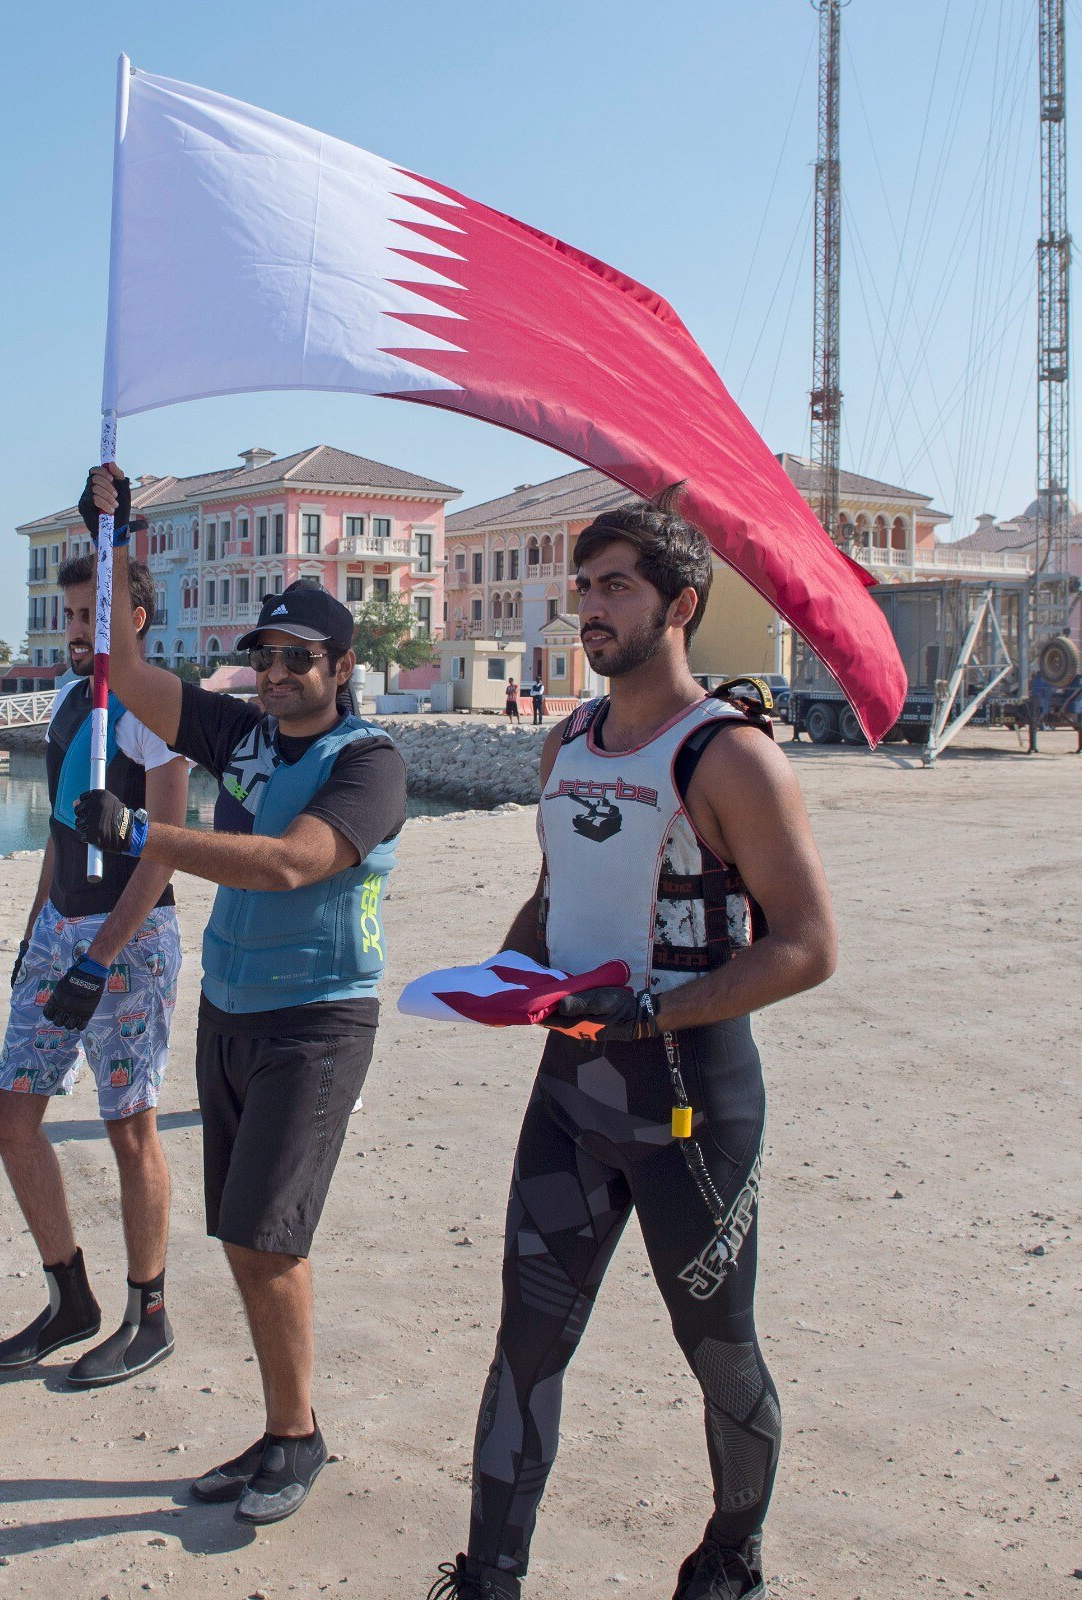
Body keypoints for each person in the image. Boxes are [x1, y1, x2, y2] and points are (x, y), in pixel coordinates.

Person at [429, 498, 837, 1600]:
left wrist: (651, 1015)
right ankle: (488, 1578)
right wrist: (500, 974)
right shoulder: (565, 742)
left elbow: (805, 948)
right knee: (524, 1349)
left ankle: (731, 1556)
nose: (590, 606)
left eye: (616, 586)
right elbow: (559, 894)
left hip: (688, 1108)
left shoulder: (729, 756)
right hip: (570, 1096)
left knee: (718, 1352)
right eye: (585, 585)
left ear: (680, 606)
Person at [72, 463, 408, 1527]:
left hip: (318, 1020)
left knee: (268, 1238)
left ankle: (298, 1434)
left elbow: (295, 862)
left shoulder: (371, 760)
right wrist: (113, 531)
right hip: (232, 1009)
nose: (271, 674)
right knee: (246, 1237)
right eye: (260, 657)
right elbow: (121, 668)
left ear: (341, 667)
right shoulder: (239, 732)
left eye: (294, 659)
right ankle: (280, 1429)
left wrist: (149, 835)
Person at [0, 554, 191, 1390]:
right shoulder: (77, 701)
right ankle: (70, 1298)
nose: (75, 629)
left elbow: (170, 846)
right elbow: (61, 832)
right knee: (10, 1115)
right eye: (68, 614)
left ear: (136, 618)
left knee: (128, 1126)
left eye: (92, 615)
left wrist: (100, 956)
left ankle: (150, 1315)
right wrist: (36, 927)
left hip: (129, 941)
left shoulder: (149, 705)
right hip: (60, 931)